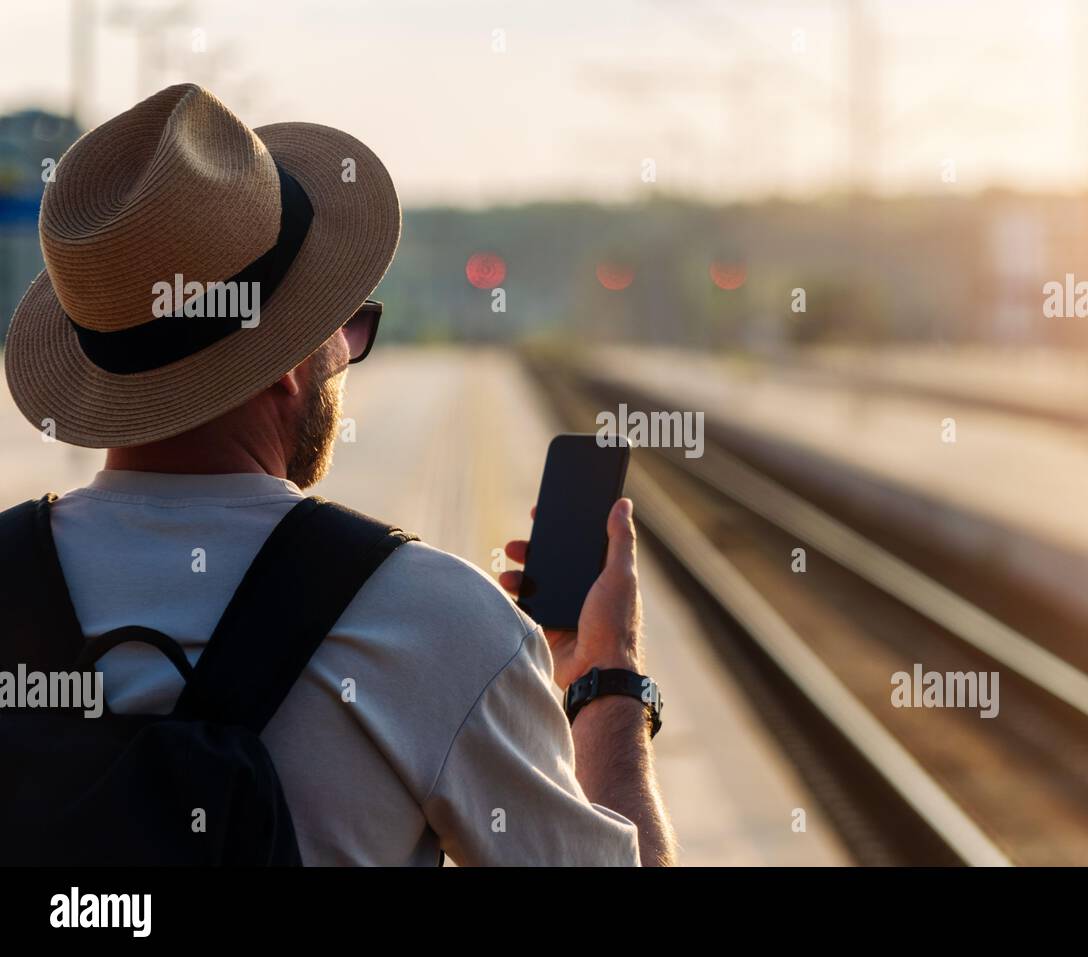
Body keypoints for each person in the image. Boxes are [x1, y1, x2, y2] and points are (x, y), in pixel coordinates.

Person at [0, 83, 675, 866]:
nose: (343, 355)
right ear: (286, 361)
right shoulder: (440, 627)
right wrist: (609, 687)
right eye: (343, 326)